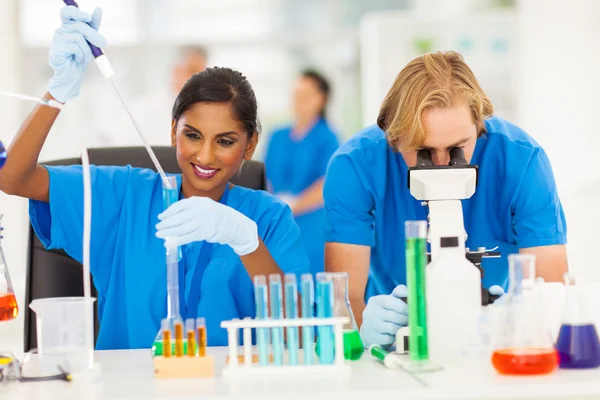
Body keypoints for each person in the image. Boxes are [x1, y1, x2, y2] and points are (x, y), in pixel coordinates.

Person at [0, 6, 309, 350]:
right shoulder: (125, 196)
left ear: (250, 145)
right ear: (173, 131)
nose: (205, 156)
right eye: (192, 135)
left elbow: (299, 334)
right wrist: (56, 93)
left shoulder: (267, 218)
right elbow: (13, 178)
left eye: (225, 141)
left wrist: (247, 243)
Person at [323, 51, 568, 349]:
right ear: (393, 136)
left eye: (457, 149)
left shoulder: (522, 161)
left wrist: (517, 320)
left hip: (488, 340)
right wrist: (366, 332)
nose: (441, 165)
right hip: (395, 337)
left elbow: (551, 291)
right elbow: (345, 302)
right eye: (423, 151)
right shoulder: (355, 165)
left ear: (479, 125)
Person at [265, 70, 339, 276]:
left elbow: (328, 183)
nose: (299, 102)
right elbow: (265, 176)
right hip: (277, 221)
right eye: (296, 96)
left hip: (311, 224)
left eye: (305, 96)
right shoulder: (277, 136)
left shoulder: (327, 138)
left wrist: (294, 206)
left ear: (321, 99)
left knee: (308, 285)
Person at [110, 46, 208, 146]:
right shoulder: (142, 109)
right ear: (175, 70)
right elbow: (122, 152)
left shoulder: (207, 111)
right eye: (191, 71)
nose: (198, 80)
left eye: (202, 74)